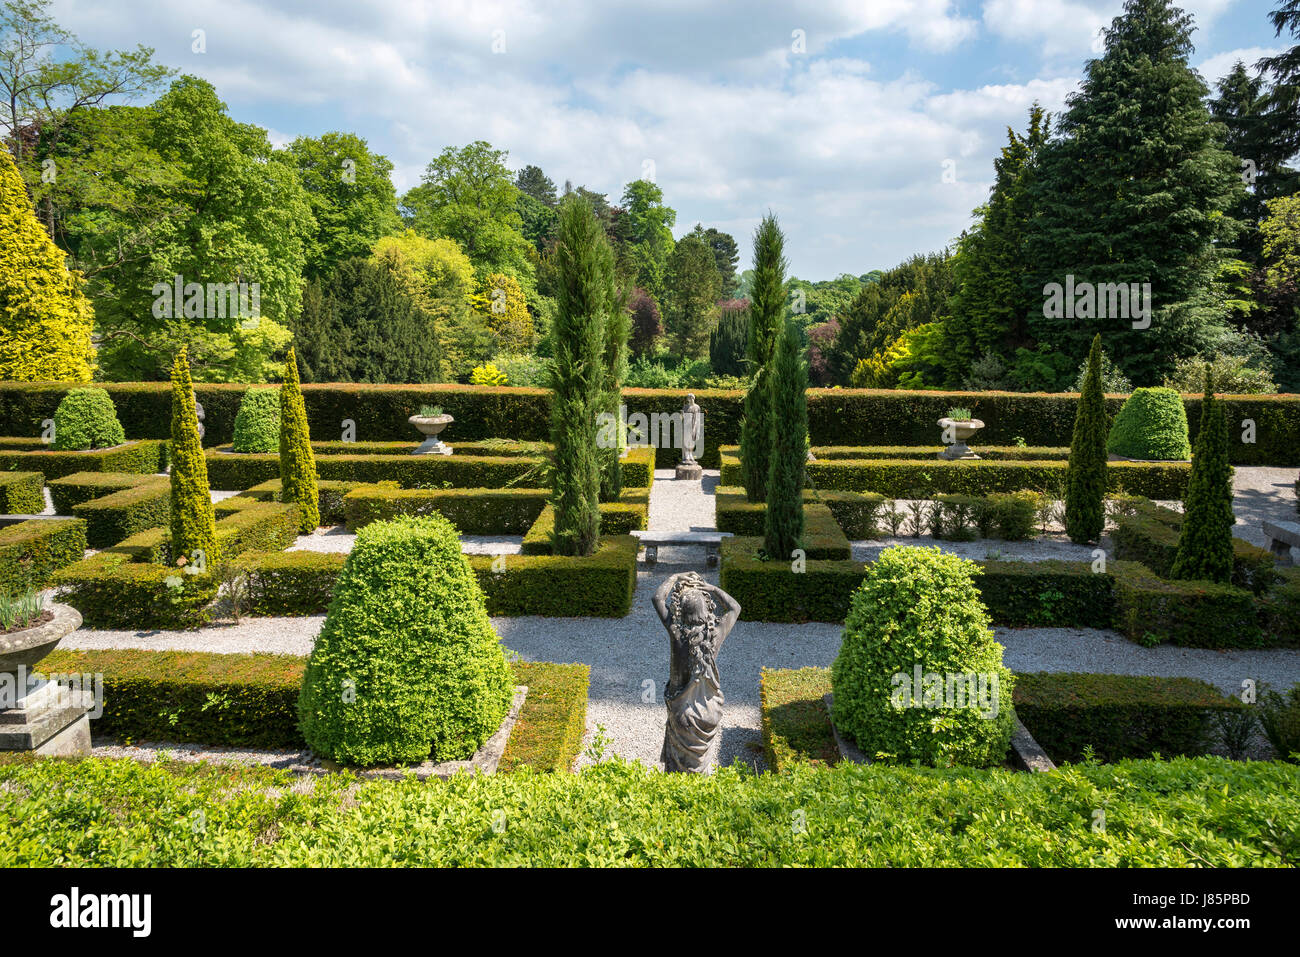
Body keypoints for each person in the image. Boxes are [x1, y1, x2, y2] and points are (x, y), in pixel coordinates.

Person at [652, 572, 741, 772]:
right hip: (709, 711)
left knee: (677, 771)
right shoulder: (715, 632)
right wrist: (713, 589)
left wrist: (674, 577)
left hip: (682, 712)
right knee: (703, 768)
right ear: (706, 610)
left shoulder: (677, 632)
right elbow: (735, 607)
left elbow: (657, 598)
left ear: (681, 611)